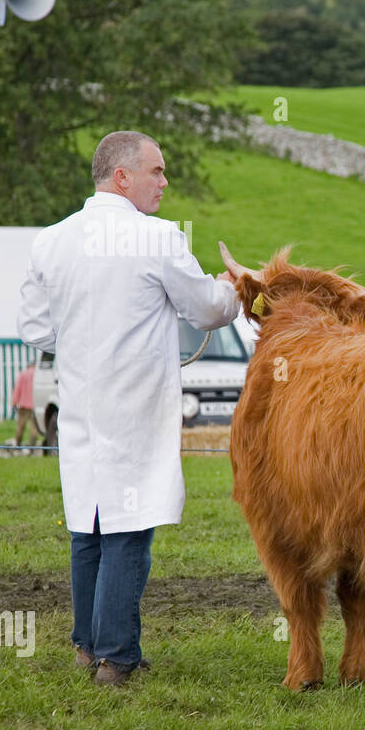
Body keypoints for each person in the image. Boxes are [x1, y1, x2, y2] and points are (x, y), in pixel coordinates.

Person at [17, 131, 239, 685]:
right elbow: (208, 310)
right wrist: (234, 285)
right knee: (128, 528)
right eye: (157, 171)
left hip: (81, 404)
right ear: (123, 176)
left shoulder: (51, 240)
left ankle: (87, 648)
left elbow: (35, 327)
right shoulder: (158, 239)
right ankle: (117, 658)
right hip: (136, 404)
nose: (164, 182)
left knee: (87, 526)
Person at [10, 360, 42, 454]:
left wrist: (14, 402)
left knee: (20, 427)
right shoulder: (38, 376)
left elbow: (17, 389)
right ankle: (31, 449)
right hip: (35, 406)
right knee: (34, 429)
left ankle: (17, 446)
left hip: (24, 406)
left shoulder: (23, 374)